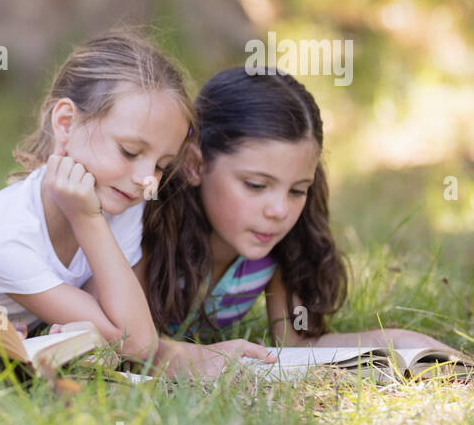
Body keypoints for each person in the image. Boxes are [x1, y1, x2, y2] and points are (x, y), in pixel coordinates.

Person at [142, 66, 456, 376]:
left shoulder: (275, 248)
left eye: (297, 190)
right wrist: (187, 356)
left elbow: (295, 344)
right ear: (195, 164)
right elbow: (120, 336)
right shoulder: (148, 224)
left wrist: (392, 340)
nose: (280, 210)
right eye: (256, 185)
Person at [0, 31, 195, 363]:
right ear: (66, 123)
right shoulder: (2, 240)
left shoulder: (119, 200)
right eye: (130, 151)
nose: (147, 180)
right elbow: (136, 344)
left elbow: (118, 324)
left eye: (162, 166)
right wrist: (87, 220)